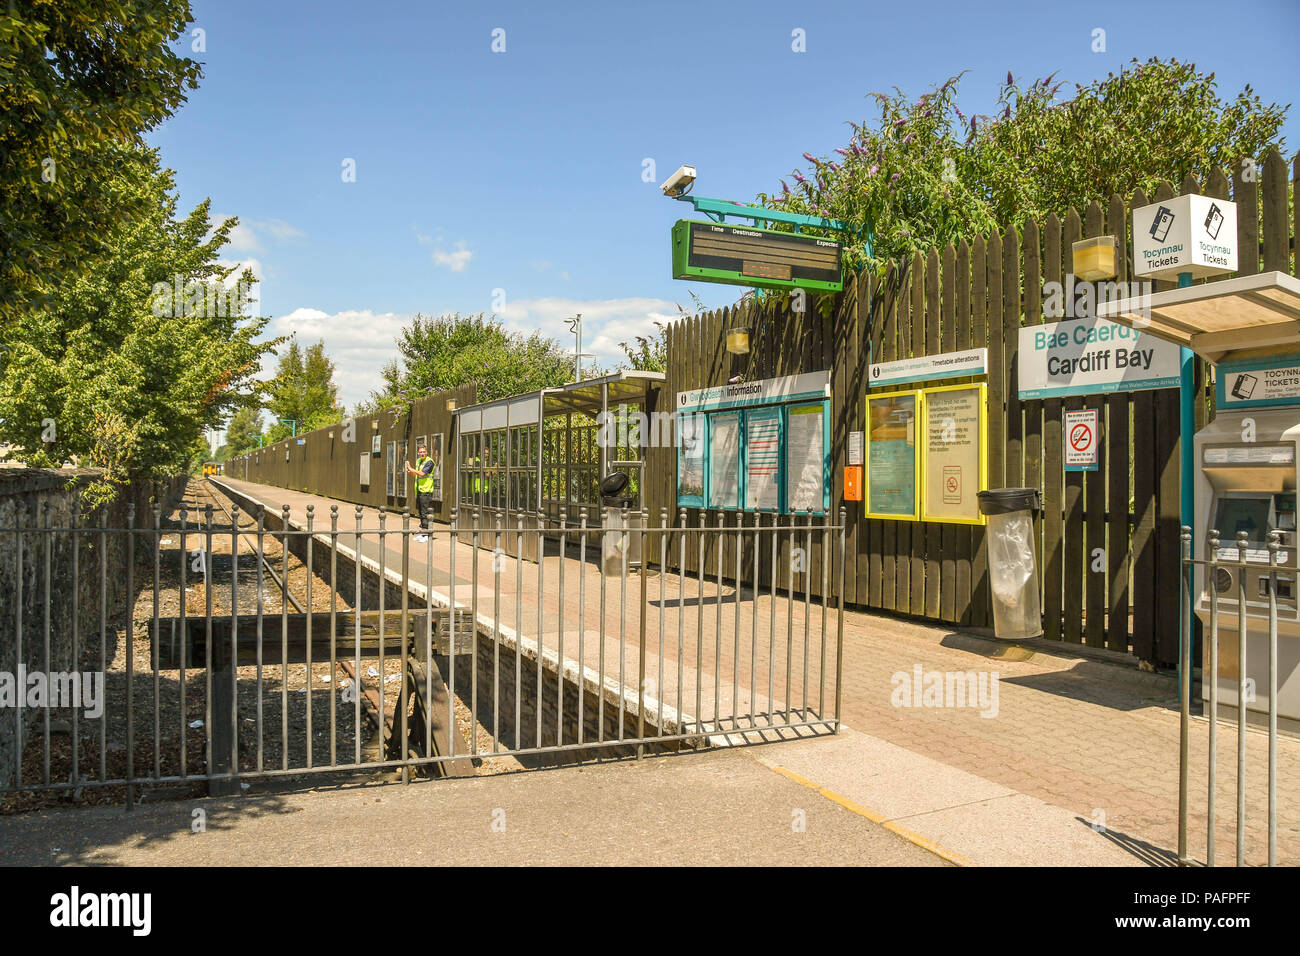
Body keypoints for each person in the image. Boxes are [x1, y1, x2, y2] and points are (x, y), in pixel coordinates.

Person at [405, 444, 436, 542]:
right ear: (418, 453)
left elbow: (422, 473)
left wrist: (411, 468)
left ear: (426, 452)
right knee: (420, 512)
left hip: (426, 490)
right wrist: (411, 472)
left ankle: (426, 534)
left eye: (424, 452)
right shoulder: (419, 461)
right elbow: (417, 475)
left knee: (425, 512)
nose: (422, 453)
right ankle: (423, 532)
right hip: (419, 490)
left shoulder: (429, 462)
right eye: (420, 452)